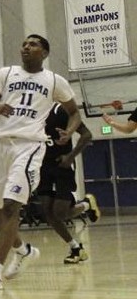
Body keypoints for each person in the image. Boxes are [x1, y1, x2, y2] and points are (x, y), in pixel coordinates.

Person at [0, 34, 81, 292]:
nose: (26, 47)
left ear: (44, 52)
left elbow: (75, 113)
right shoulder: (5, 73)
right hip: (0, 145)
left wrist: (69, 131)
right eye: (24, 43)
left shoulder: (55, 81)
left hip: (29, 146)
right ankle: (23, 251)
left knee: (12, 205)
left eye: (33, 44)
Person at [36, 102, 99, 264]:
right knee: (47, 212)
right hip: (42, 167)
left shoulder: (62, 110)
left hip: (62, 165)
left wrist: (70, 156)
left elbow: (87, 135)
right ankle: (75, 247)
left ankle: (86, 204)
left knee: (60, 212)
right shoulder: (32, 111)